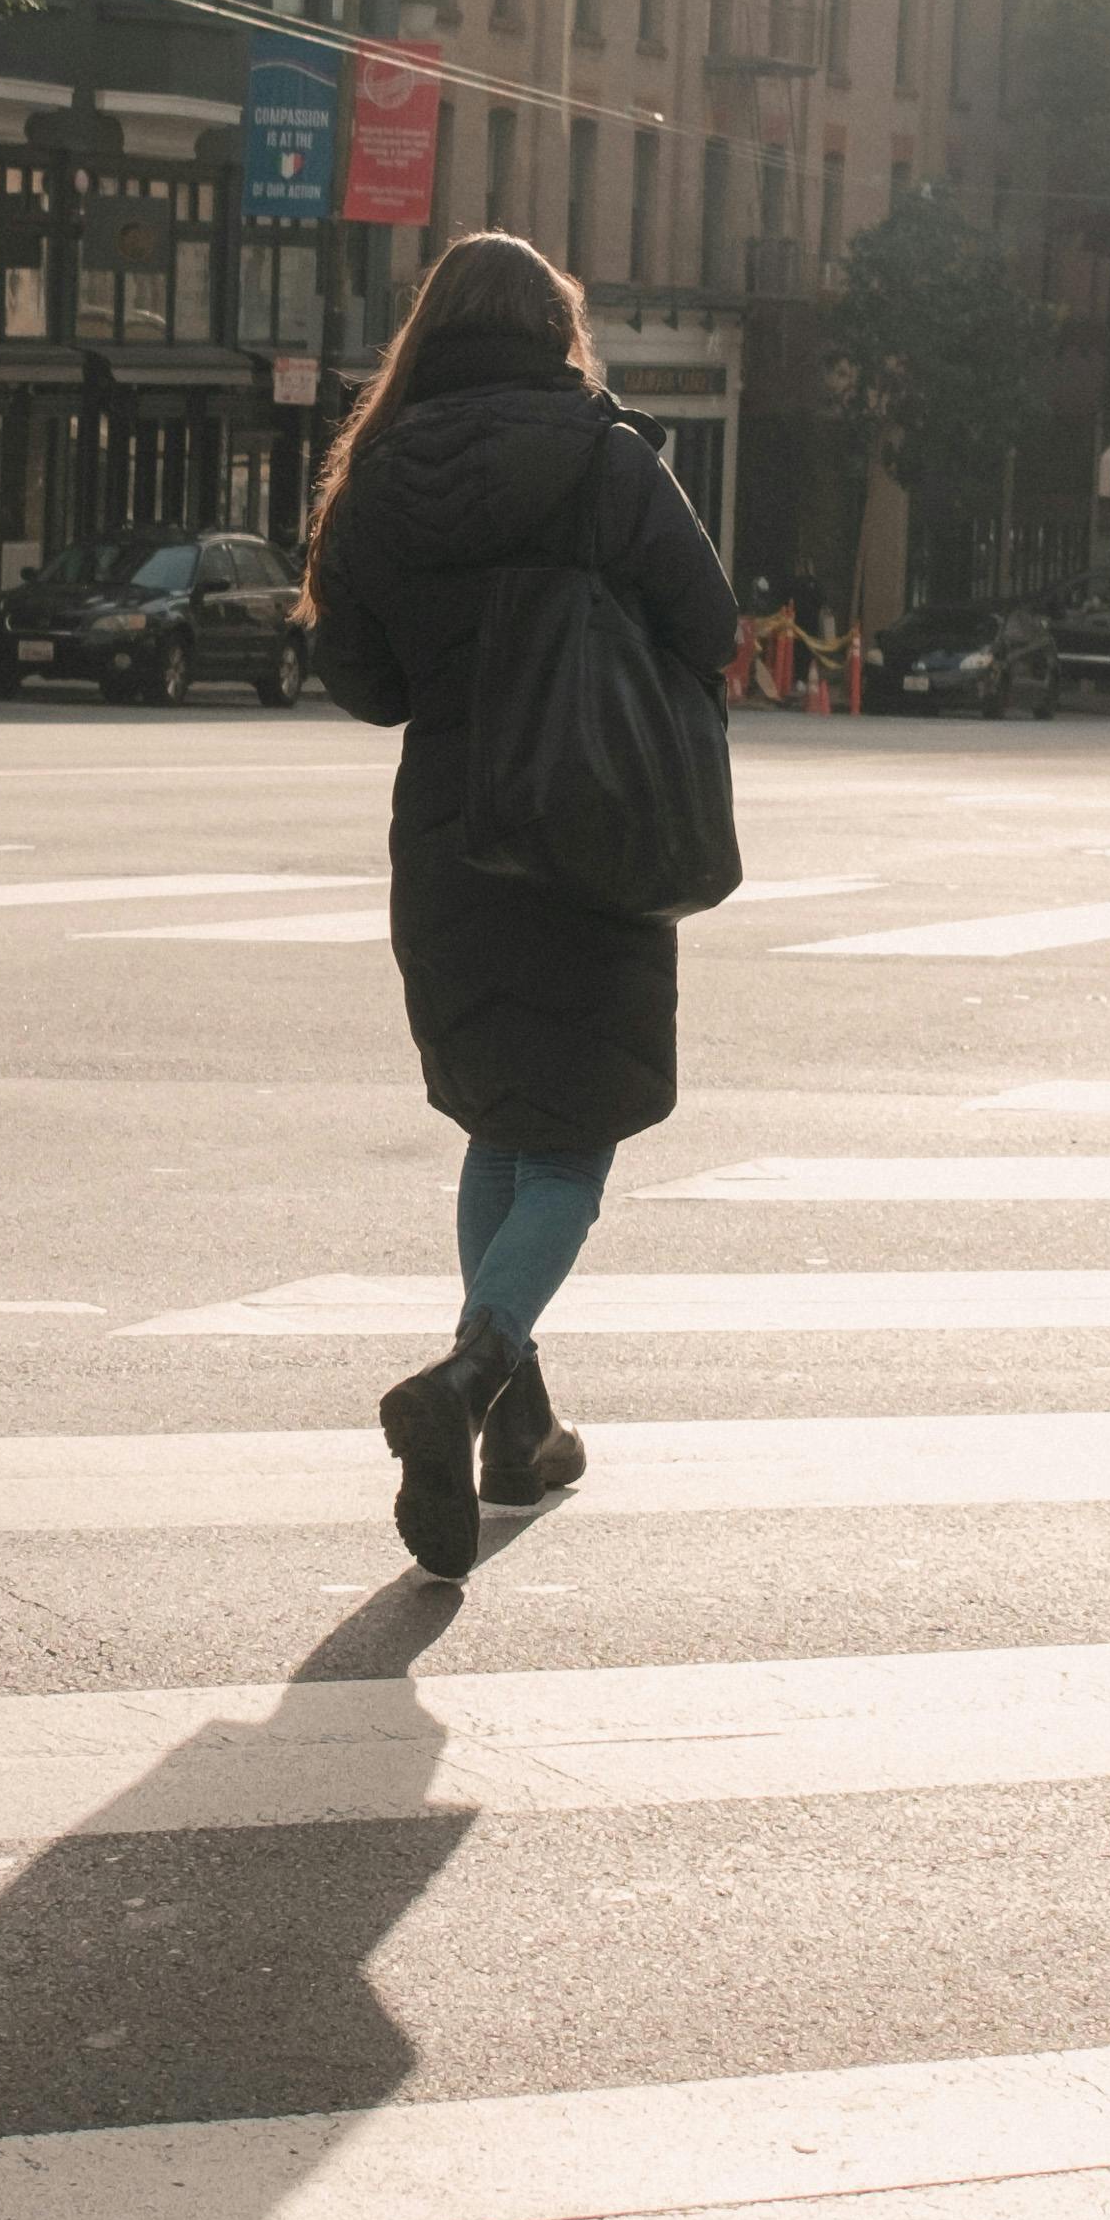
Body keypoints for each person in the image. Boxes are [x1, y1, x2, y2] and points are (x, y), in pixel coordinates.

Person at [306, 228, 737, 1581]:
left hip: (446, 839)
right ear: (556, 330)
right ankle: (466, 1379)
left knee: (500, 1112)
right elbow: (712, 623)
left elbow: (365, 679)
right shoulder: (606, 460)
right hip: (592, 828)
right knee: (573, 1145)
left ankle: (516, 1424)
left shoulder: (378, 472)